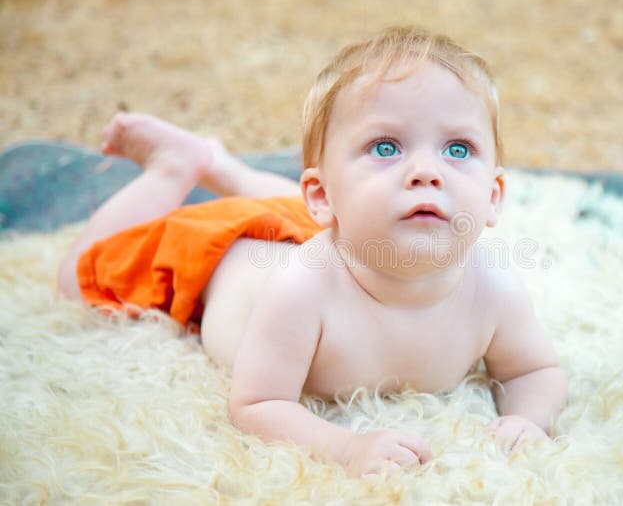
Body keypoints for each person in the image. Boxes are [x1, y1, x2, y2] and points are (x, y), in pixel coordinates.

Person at [57, 26, 568, 476]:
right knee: (78, 278)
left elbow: (535, 371)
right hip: (230, 248)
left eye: (458, 149)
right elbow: (258, 402)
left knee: (331, 211)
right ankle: (176, 166)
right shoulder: (302, 290)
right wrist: (345, 447)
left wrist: (528, 419)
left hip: (332, 226)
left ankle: (225, 168)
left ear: (494, 196)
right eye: (386, 147)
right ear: (322, 196)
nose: (426, 171)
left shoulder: (494, 288)